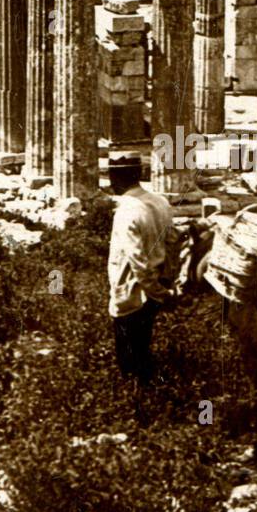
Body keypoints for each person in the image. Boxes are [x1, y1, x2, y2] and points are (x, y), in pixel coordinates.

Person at [107, 153, 174, 384]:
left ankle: (138, 408)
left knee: (130, 363)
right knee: (144, 347)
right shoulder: (161, 201)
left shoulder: (127, 210)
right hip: (156, 289)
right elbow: (173, 242)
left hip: (132, 296)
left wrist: (156, 291)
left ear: (114, 177)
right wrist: (165, 288)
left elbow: (138, 263)